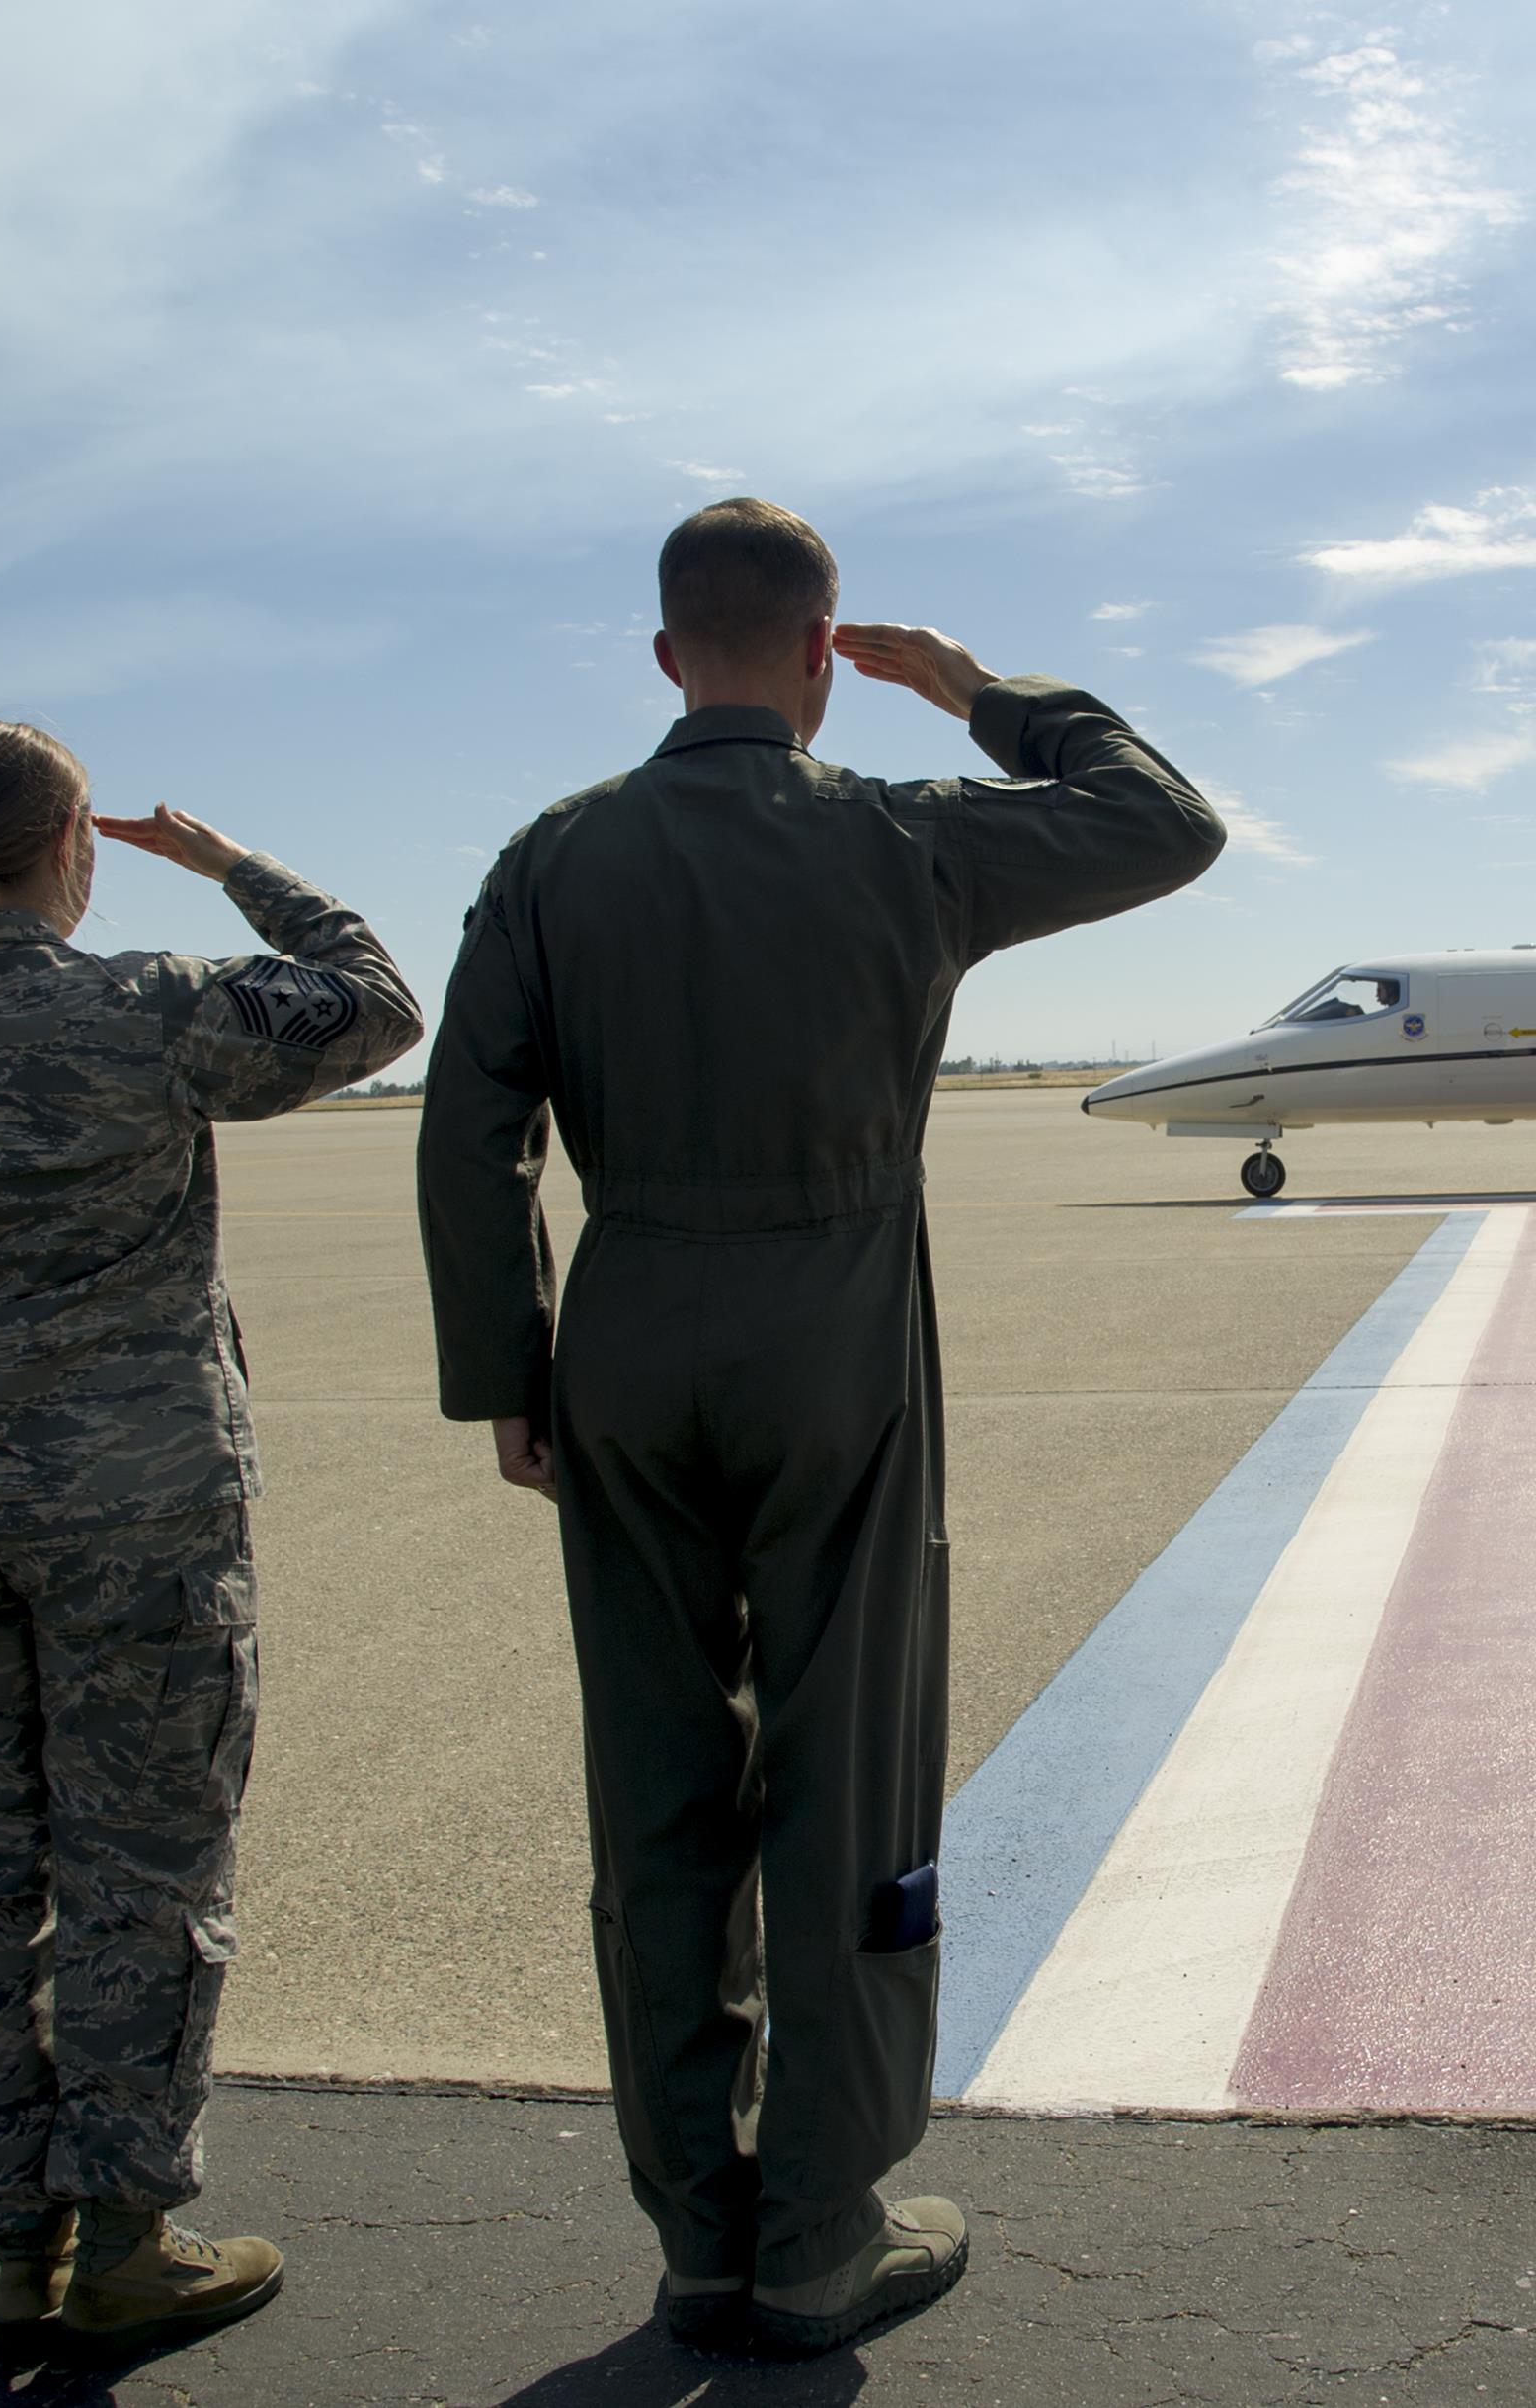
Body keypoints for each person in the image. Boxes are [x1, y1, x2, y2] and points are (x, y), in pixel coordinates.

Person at [416, 499, 1225, 2357]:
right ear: (821, 649)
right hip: (836, 1327)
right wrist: (983, 696)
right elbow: (1167, 823)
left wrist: (508, 1377)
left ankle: (702, 2228)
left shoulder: (555, 856)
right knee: (840, 1774)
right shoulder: (900, 834)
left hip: (623, 1333)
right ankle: (820, 2231)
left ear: (661, 653)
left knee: (657, 1788)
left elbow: (469, 1129)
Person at [0, 714, 420, 2359]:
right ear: (74, 848)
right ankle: (126, 2228)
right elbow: (375, 1002)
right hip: (140, 1512)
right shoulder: (148, 1005)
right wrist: (239, 863)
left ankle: (12, 2240)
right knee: (145, 1864)